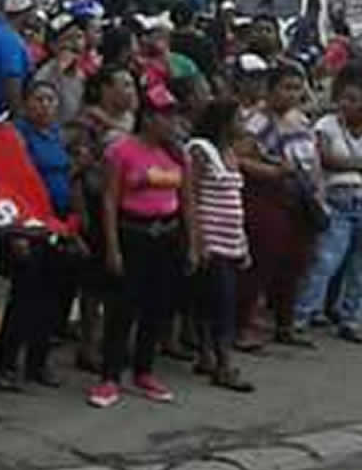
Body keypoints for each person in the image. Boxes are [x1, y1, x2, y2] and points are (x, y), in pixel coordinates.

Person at [88, 84, 190, 409]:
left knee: (157, 306)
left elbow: (187, 202)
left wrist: (193, 243)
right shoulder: (122, 151)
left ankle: (144, 370)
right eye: (164, 116)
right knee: (123, 308)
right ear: (147, 118)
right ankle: (110, 375)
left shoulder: (177, 155)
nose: (171, 123)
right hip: (134, 232)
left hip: (167, 234)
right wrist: (113, 247)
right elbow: (109, 200)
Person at [0, 80, 85, 392]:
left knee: (51, 296)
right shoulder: (17, 135)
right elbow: (11, 183)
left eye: (51, 100)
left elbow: (61, 176)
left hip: (56, 222)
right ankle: (5, 365)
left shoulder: (56, 135)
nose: (45, 105)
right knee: (24, 298)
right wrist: (16, 232)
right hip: (27, 222)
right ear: (27, 103)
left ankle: (38, 361)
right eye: (39, 99)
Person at [237, 61, 319, 351]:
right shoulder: (258, 121)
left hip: (300, 199)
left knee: (295, 263)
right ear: (270, 91)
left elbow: (312, 158)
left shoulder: (299, 119)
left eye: (298, 88)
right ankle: (243, 327)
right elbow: (240, 158)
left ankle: (284, 325)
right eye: (286, 88)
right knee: (261, 263)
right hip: (268, 197)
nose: (293, 94)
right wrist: (272, 172)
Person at [186, 100, 257, 392]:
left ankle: (207, 356)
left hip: (230, 239)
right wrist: (198, 239)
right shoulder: (201, 150)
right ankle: (223, 363)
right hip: (211, 240)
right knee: (221, 303)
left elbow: (234, 201)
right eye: (239, 118)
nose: (244, 124)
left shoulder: (230, 152)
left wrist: (242, 242)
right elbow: (192, 195)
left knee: (212, 301)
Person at [301, 67, 362, 343]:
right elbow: (325, 159)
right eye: (346, 98)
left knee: (358, 266)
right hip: (338, 198)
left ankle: (351, 317)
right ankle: (302, 312)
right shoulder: (326, 125)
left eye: (356, 100)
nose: (349, 105)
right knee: (327, 258)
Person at [33, 22, 90, 126]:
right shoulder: (44, 76)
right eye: (68, 38)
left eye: (78, 37)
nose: (75, 43)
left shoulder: (81, 73)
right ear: (53, 46)